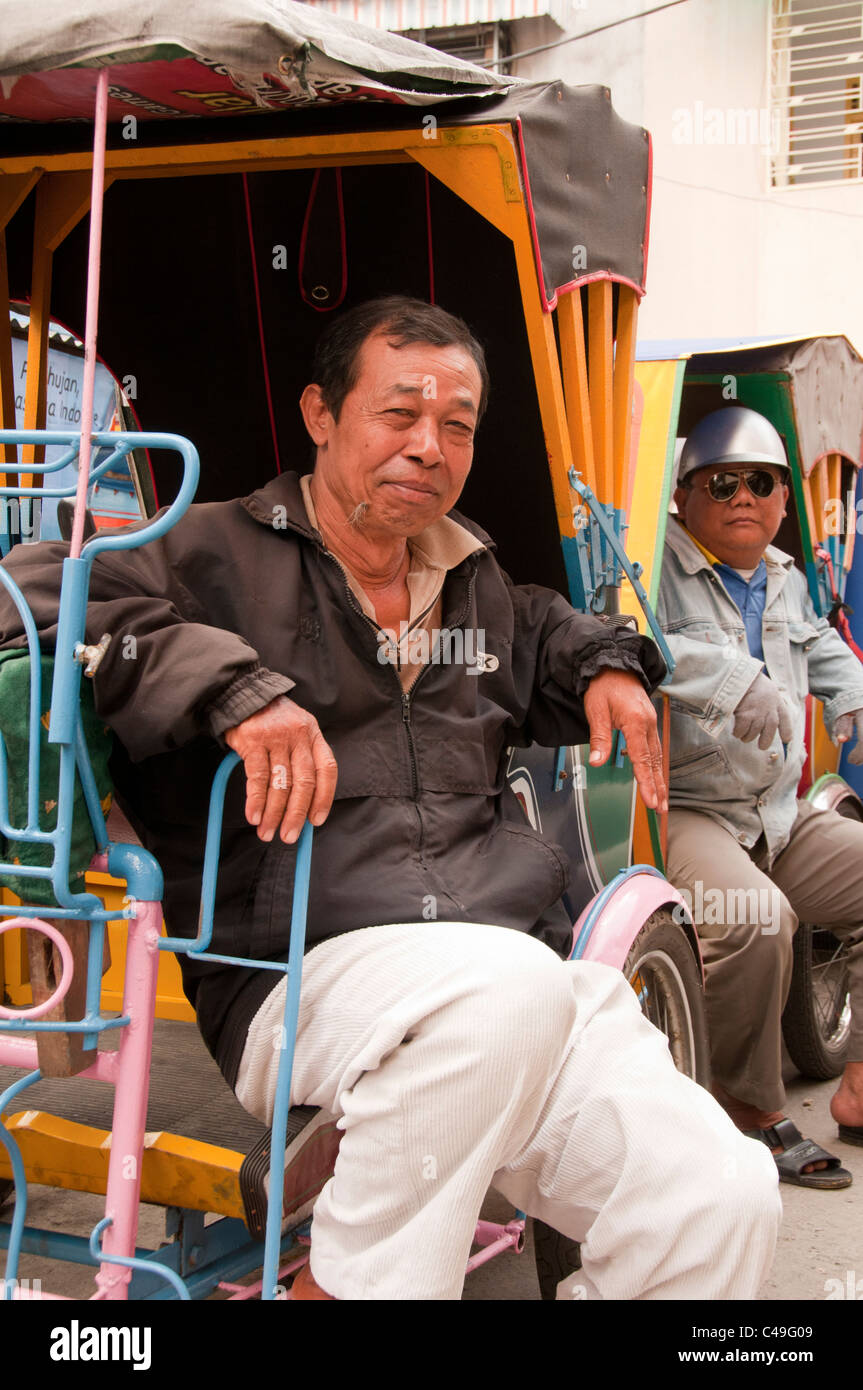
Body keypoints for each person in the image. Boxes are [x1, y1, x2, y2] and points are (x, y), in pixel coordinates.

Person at [0, 299, 779, 1299]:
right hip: (302, 978)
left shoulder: (475, 582)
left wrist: (609, 664)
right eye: (399, 413)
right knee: (509, 985)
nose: (428, 445)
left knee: (722, 1198)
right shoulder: (209, 553)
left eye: (455, 424)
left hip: (520, 989)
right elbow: (33, 596)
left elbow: (552, 629)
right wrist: (231, 684)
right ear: (320, 415)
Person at [659, 404, 863, 1190]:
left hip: (774, 813)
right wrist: (731, 676)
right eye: (720, 482)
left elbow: (815, 644)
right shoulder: (646, 563)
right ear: (683, 496)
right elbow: (628, 641)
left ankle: (855, 1086)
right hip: (686, 808)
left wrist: (851, 698)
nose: (742, 496)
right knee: (758, 921)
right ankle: (741, 1109)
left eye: (761, 482)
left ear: (783, 499)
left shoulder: (781, 576)